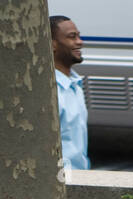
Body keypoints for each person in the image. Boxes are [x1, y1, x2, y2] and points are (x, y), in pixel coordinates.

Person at [50, 15, 89, 171]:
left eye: (78, 36)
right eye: (72, 37)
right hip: (63, 177)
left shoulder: (75, 85)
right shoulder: (51, 91)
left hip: (80, 175)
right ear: (52, 44)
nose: (80, 42)